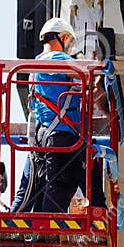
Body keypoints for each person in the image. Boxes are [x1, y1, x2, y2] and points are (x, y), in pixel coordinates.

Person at [30, 18, 89, 213]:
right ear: (62, 37)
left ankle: (38, 229)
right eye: (70, 42)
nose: (70, 48)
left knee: (51, 186)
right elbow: (87, 73)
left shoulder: (34, 65)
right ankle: (45, 230)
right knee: (66, 186)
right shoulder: (59, 59)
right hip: (62, 135)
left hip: (44, 136)